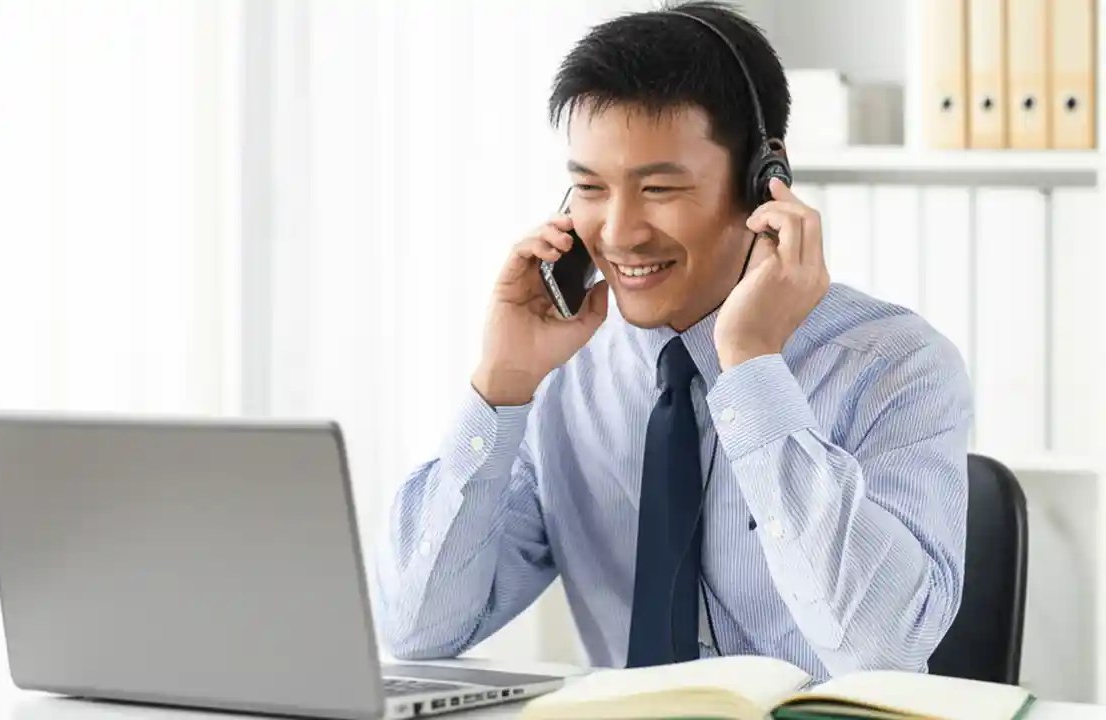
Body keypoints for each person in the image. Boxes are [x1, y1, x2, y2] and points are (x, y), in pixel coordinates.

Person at [374, 1, 971, 681]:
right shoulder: (566, 373)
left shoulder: (895, 366)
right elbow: (418, 630)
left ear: (763, 183)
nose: (620, 232)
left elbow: (884, 650)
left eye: (659, 187)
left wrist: (751, 368)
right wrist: (499, 384)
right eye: (588, 188)